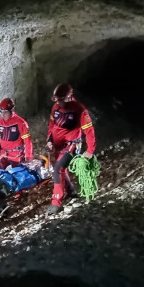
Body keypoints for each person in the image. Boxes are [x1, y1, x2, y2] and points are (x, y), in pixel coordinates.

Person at [45, 83, 96, 214]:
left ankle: (56, 202)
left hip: (72, 145)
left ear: (68, 97)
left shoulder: (79, 110)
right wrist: (49, 140)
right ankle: (71, 190)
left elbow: (89, 131)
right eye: (57, 99)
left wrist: (90, 151)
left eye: (60, 99)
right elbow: (52, 126)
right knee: (59, 168)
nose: (58, 102)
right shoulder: (55, 108)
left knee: (58, 170)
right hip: (57, 145)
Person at [0, 98, 34, 168]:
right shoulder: (0, 122)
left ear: (11, 110)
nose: (3, 115)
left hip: (16, 156)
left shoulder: (21, 123)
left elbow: (27, 141)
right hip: (3, 155)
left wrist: (28, 157)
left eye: (5, 112)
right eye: (1, 112)